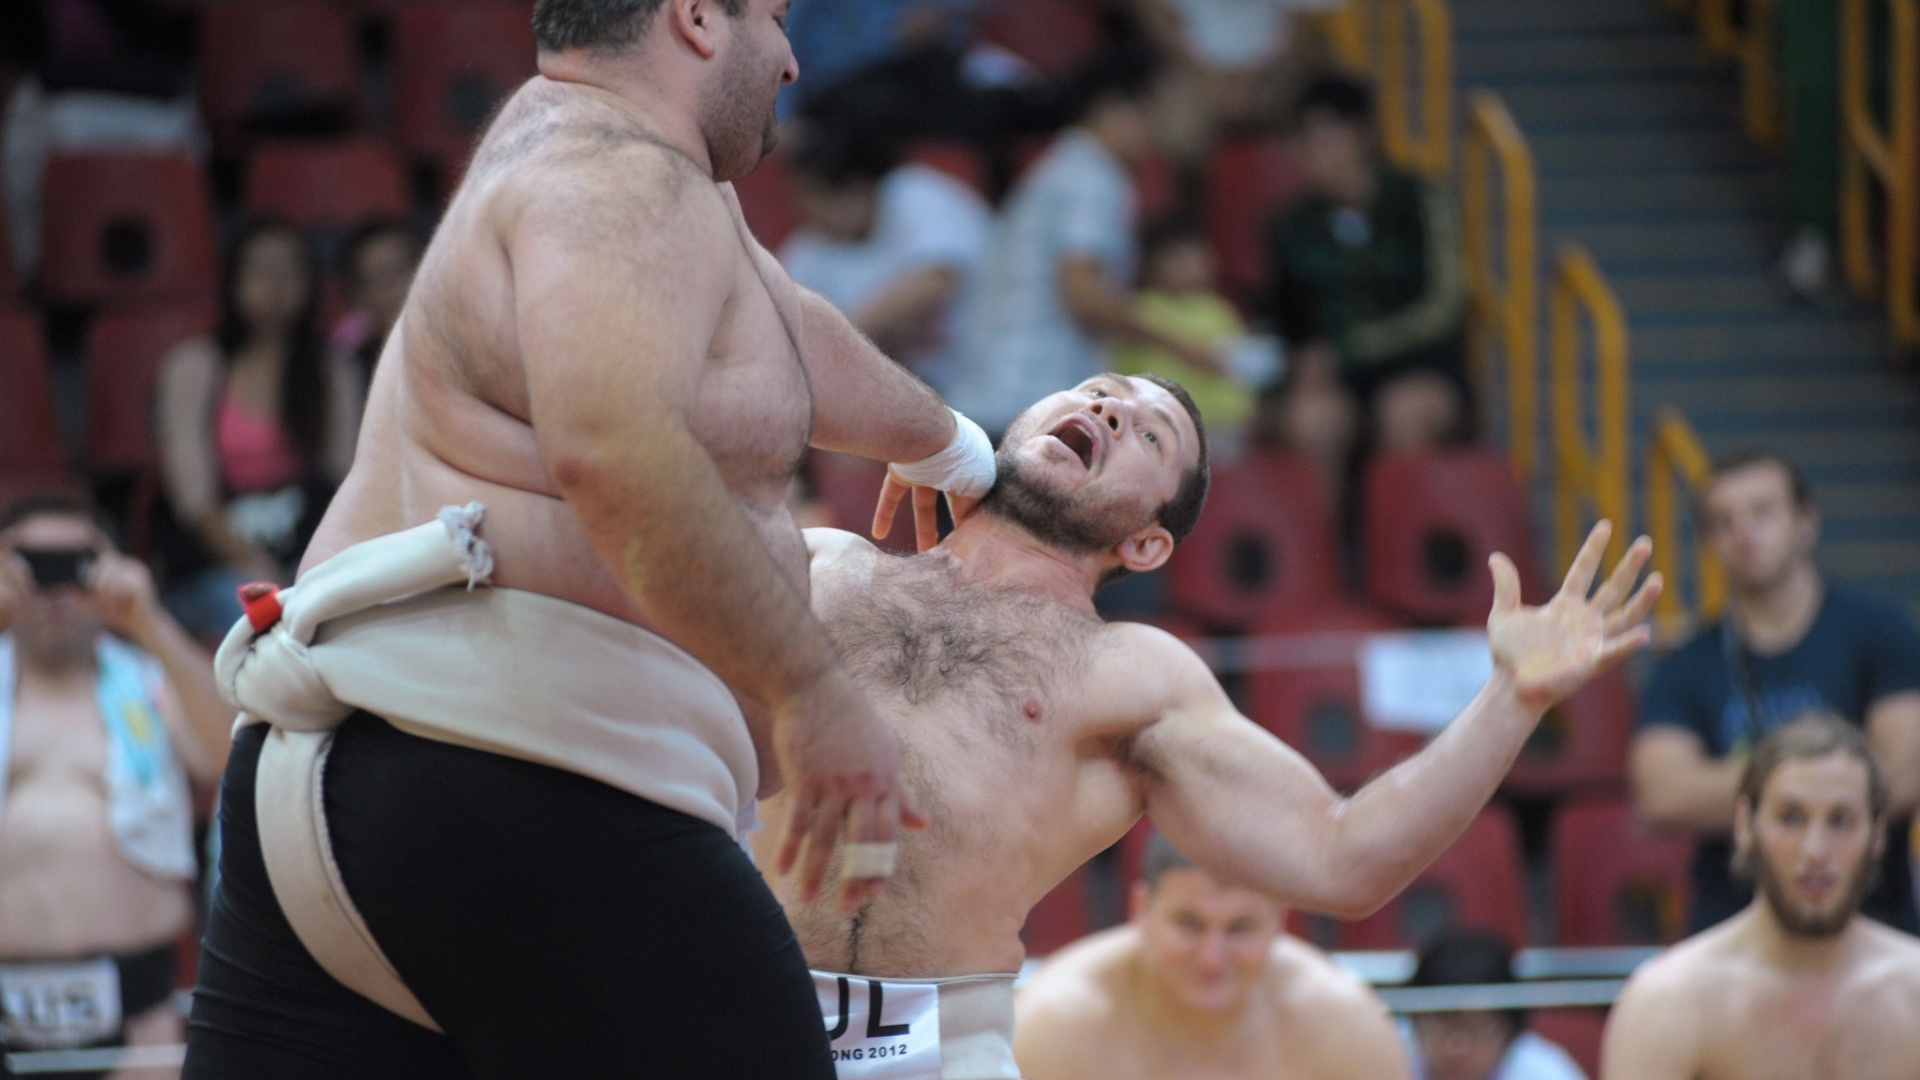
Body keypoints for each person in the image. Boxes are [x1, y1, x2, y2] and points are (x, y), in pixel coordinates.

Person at [184, 0, 989, 1076]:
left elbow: (782, 327)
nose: (795, 60)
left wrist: (949, 447)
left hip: (385, 782)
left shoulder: (614, 163)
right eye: (779, 18)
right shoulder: (617, 172)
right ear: (698, 17)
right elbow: (609, 447)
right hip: (521, 781)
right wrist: (812, 694)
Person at [757, 371, 1660, 1075]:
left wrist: (1513, 699)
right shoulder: (822, 564)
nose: (1110, 412)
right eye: (1098, 394)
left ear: (1147, 544)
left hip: (939, 1044)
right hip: (729, 994)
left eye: (1149, 433)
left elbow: (1345, 858)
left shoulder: (1134, 675)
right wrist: (911, 428)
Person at [1631, 448, 1920, 935]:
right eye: (1724, 521)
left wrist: (1753, 789)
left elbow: (1905, 775)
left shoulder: (1882, 635)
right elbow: (1663, 795)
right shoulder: (1686, 664)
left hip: (1870, 920)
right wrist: (1835, 785)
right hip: (1732, 924)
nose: (1744, 533)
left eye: (1763, 512)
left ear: (1806, 523)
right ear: (1709, 543)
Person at [0, 495, 232, 1076]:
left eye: (74, 567)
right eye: (33, 566)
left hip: (136, 1013)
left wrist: (148, 623)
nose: (55, 594)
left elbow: (230, 756)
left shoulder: (149, 678)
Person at [1602, 713, 1920, 1079]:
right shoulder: (1667, 1001)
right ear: (1745, 824)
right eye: (1791, 817)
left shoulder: (1914, 994)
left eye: (1840, 820)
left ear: (1878, 834)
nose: (1815, 850)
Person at [949, 44, 1224, 437]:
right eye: (1162, 107)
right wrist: (1180, 345)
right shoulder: (1093, 177)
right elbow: (1083, 294)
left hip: (999, 397)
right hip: (1021, 402)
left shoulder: (1067, 165)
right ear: (1122, 106)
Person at [1013, 831, 1413, 1080]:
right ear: (1142, 909)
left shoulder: (1345, 1028)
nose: (1212, 959)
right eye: (1189, 923)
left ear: (1280, 921)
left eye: (1240, 928)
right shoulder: (1054, 1024)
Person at [153, 221, 362, 642]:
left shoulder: (332, 369)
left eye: (289, 272)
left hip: (309, 553)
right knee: (260, 621)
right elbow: (193, 501)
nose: (276, 286)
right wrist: (259, 570)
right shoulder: (194, 366)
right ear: (233, 283)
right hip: (215, 562)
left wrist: (311, 570)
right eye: (261, 271)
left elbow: (344, 481)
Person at [1264, 73, 1468, 453]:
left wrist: (1346, 348)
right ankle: (1324, 514)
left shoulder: (1424, 200)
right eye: (1303, 141)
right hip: (1337, 378)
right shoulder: (1292, 225)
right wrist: (1302, 365)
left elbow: (1443, 305)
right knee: (1310, 420)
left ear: (1361, 135)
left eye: (1324, 138)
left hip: (1420, 364)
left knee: (1403, 411)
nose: (1312, 153)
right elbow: (1292, 318)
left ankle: (1406, 513)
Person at [779, 124, 991, 395]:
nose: (806, 209)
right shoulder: (808, 248)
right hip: (918, 390)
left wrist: (840, 337)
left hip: (990, 374)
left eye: (817, 195)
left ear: (860, 189)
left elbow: (937, 279)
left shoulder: (915, 192)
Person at [1114, 216, 1261, 444]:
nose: (1188, 266)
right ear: (1151, 265)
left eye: (1194, 256)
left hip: (1223, 425)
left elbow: (1240, 366)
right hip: (1161, 426)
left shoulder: (1220, 311)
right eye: (1176, 259)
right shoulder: (1139, 311)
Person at [1401, 931, 1586, 1080]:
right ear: (1415, 1020)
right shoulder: (1385, 1056)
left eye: (1477, 1029)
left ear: (1510, 1032)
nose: (1458, 1048)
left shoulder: (1546, 1073)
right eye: (1444, 1025)